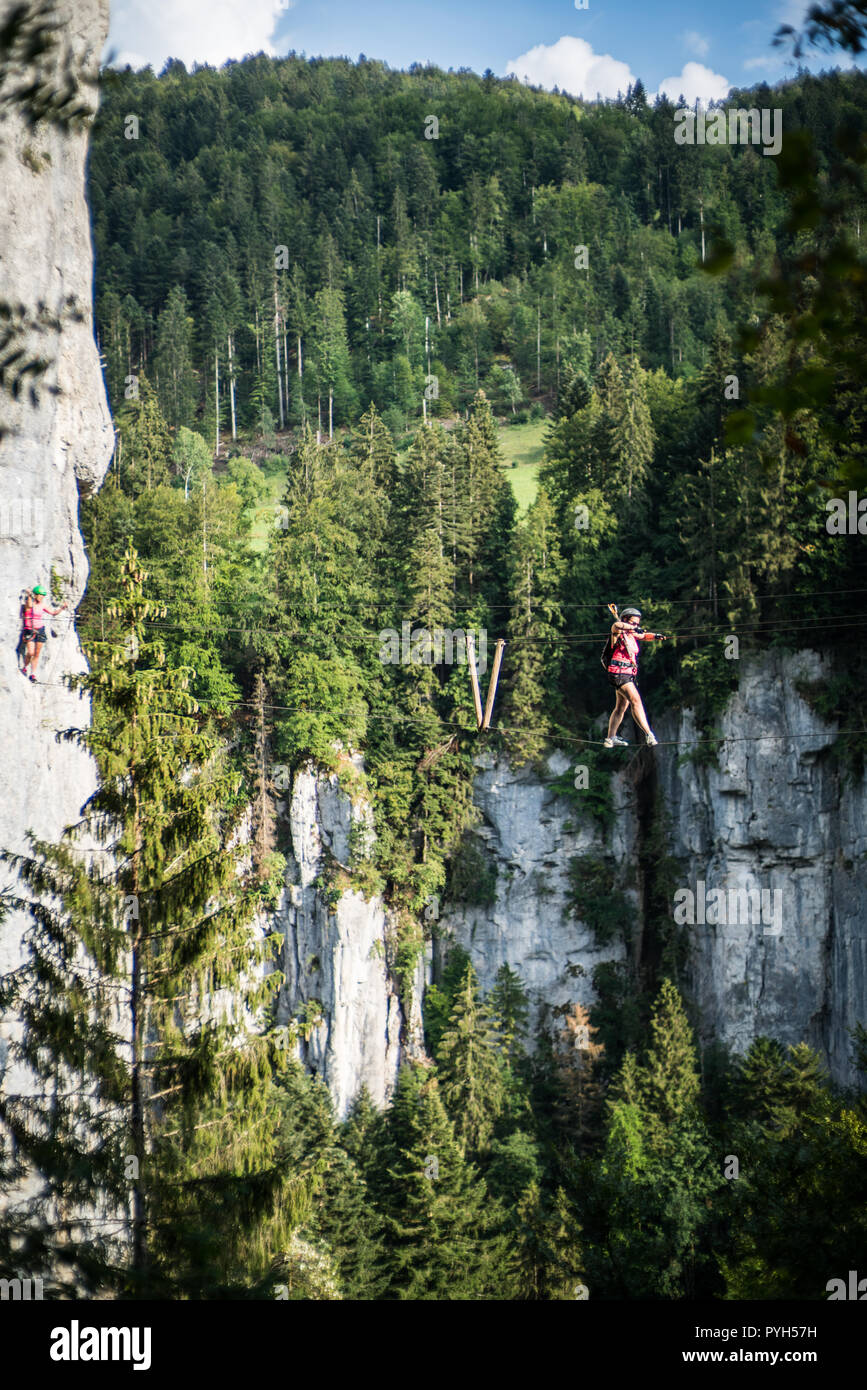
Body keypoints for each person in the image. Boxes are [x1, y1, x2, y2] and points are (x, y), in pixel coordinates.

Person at [603, 607, 666, 748]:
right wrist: (631, 627)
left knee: (621, 707)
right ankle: (648, 733)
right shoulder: (618, 633)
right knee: (636, 700)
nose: (636, 626)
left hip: (626, 674)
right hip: (619, 673)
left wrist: (655, 636)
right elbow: (616, 625)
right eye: (633, 623)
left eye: (637, 624)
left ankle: (610, 738)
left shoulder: (631, 636)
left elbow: (644, 636)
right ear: (626, 620)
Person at [21, 582, 67, 683]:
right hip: (29, 629)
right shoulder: (30, 604)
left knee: (37, 654)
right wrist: (29, 595)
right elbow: (28, 605)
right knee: (30, 652)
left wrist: (62, 608)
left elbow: (53, 613)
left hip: (40, 630)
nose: (42, 597)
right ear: (36, 595)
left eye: (43, 596)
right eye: (40, 595)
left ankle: (33, 674)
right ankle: (25, 666)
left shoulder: (42, 605)